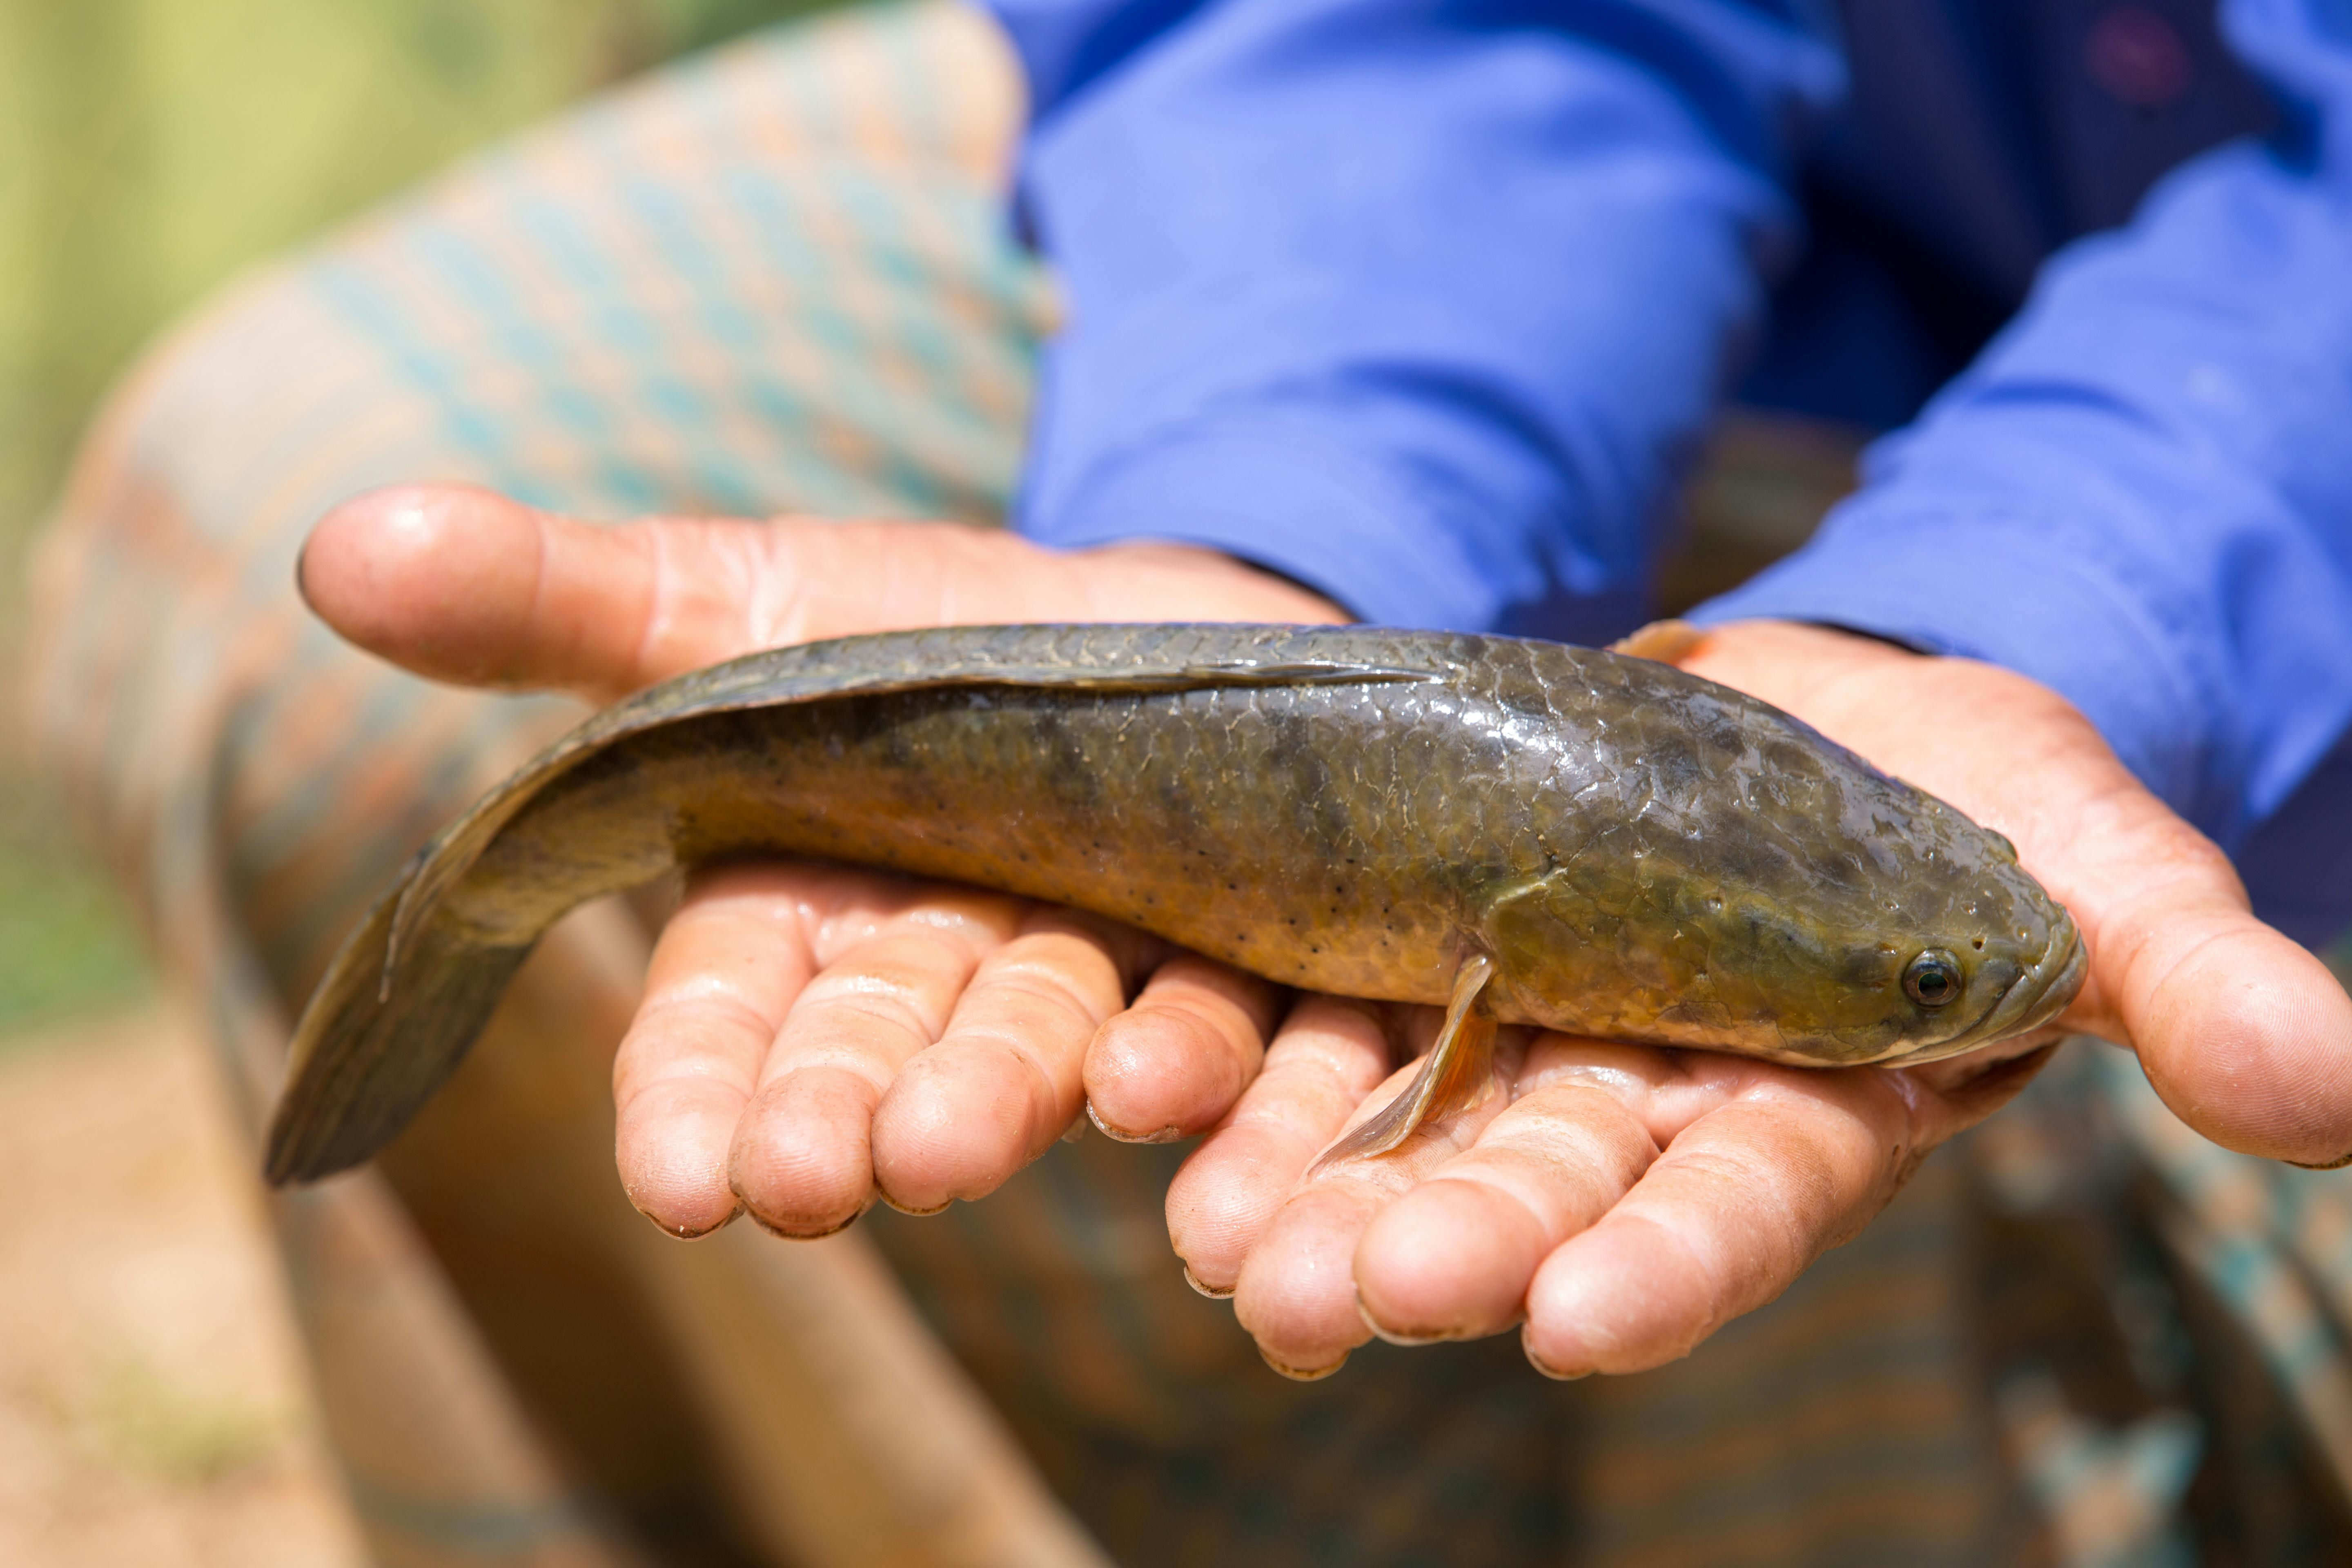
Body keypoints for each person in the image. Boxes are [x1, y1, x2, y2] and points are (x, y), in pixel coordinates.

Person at [30, 0, 2352, 1562]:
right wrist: (1284, 511)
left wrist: (2046, 611)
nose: (1965, 973)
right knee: (289, 576)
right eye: (1921, 965)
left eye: (1927, 958)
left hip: (2245, 477)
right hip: (1535, 226)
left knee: (1651, 1300)